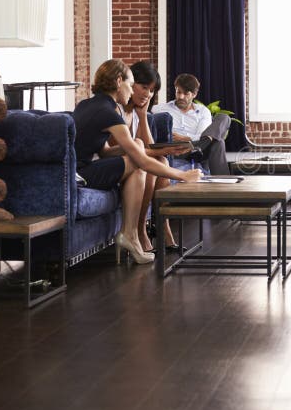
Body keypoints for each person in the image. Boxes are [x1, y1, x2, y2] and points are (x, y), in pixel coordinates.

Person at [73, 60, 202, 264]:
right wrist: (183, 175)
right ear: (118, 82)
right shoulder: (108, 112)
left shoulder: (91, 104)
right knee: (138, 164)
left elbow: (105, 152)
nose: (132, 89)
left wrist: (138, 144)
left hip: (83, 170)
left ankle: (132, 234)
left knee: (139, 153)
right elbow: (140, 160)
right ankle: (131, 234)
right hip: (81, 175)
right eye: (130, 83)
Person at [110, 61, 192, 253]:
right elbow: (124, 150)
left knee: (161, 161)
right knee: (152, 164)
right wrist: (160, 152)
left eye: (152, 90)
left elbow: (147, 147)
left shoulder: (136, 112)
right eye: (144, 87)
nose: (148, 94)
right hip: (114, 164)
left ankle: (162, 229)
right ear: (130, 84)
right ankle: (140, 229)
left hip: (131, 162)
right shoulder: (116, 110)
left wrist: (144, 115)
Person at [152, 73, 231, 175]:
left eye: (186, 94)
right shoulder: (159, 109)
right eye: (178, 92)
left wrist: (186, 138)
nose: (180, 96)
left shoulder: (203, 111)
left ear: (194, 94)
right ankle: (224, 184)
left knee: (224, 118)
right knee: (218, 142)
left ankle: (223, 185)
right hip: (172, 149)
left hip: (195, 148)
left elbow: (203, 134)